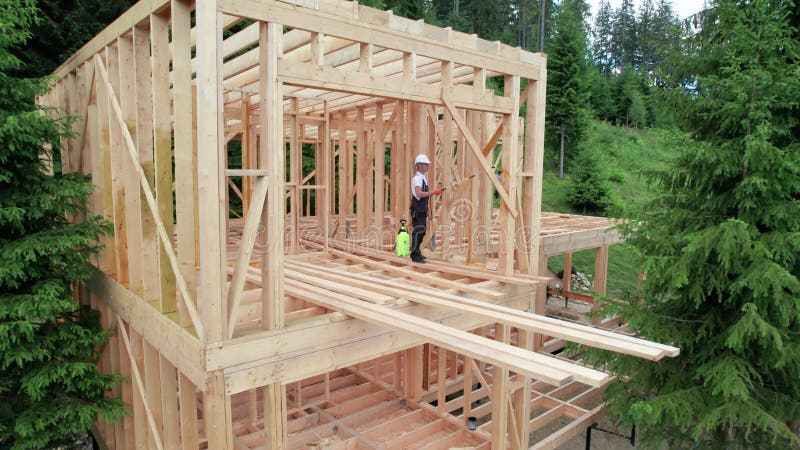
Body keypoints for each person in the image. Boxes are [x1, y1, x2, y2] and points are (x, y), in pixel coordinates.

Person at [409, 154, 442, 263]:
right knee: (418, 232)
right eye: (425, 164)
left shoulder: (423, 178)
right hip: (417, 210)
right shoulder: (417, 179)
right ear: (419, 165)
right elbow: (419, 194)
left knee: (422, 232)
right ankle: (414, 255)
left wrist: (427, 209)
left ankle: (417, 252)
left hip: (422, 209)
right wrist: (433, 192)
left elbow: (424, 196)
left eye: (427, 164)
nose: (427, 166)